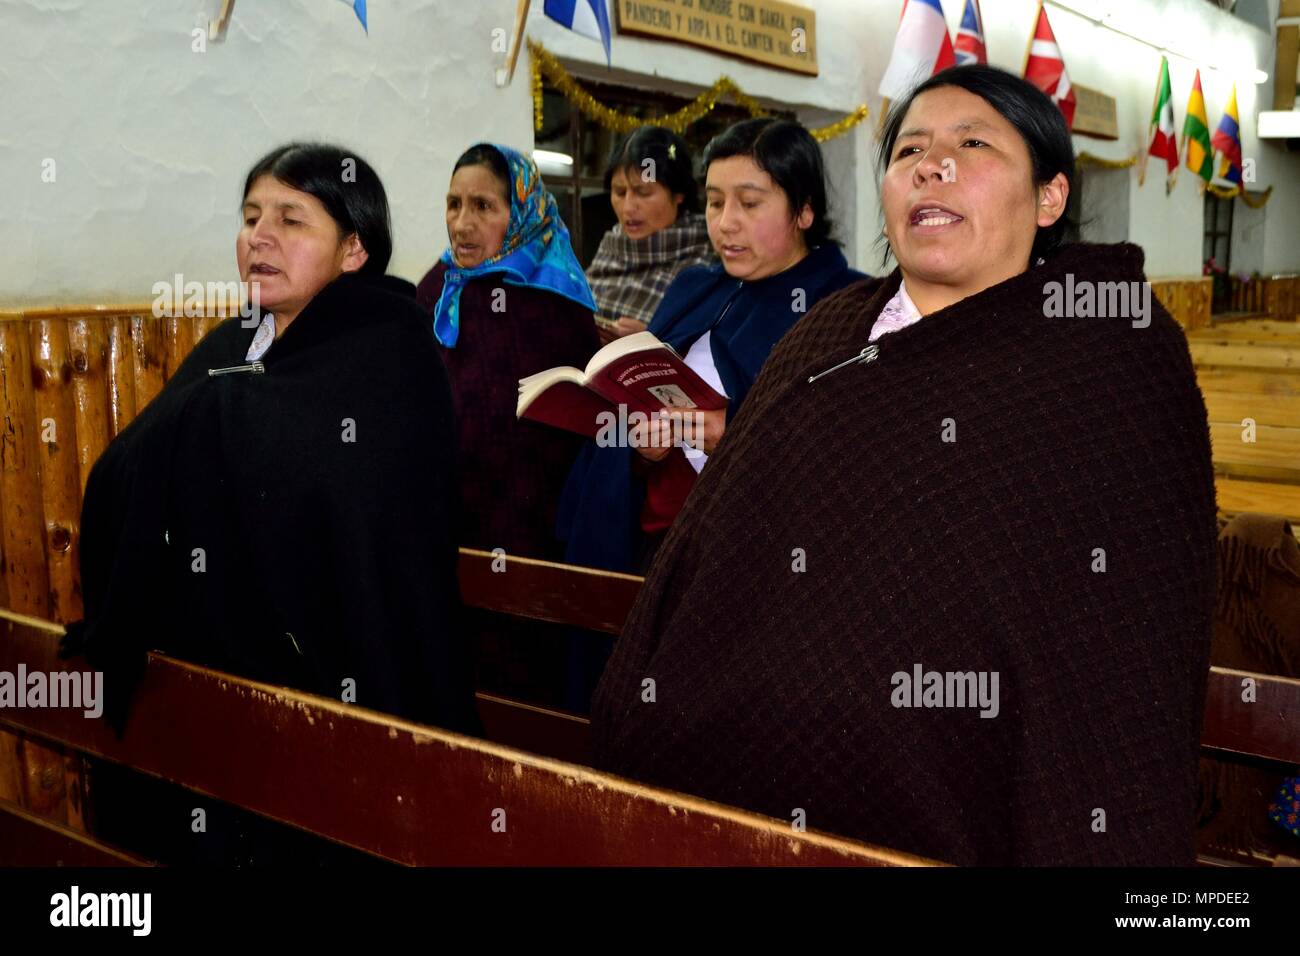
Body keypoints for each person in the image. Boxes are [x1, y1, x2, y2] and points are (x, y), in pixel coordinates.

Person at [590, 65, 1219, 866]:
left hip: (968, 805)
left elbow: (1120, 646)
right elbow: (712, 556)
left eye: (973, 144)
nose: (933, 165)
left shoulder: (1107, 357)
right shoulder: (826, 337)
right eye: (910, 149)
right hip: (734, 785)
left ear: (1051, 196)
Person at [63, 142, 478, 861]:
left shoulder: (391, 350)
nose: (259, 235)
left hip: (350, 683)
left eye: (292, 218)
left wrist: (221, 419)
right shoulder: (234, 343)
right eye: (251, 215)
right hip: (216, 679)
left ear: (354, 250)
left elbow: (343, 493)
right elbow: (126, 469)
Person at [558, 117, 865, 708]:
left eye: (750, 203)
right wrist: (640, 452)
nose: (726, 223)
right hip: (647, 552)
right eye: (715, 202)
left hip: (749, 574)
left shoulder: (844, 306)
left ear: (804, 211)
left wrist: (739, 441)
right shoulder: (695, 287)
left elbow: (847, 455)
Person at [416, 143, 599, 705]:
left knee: (521, 689)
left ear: (520, 212)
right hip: (439, 524)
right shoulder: (434, 289)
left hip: (528, 528)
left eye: (483, 206)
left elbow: (575, 427)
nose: (462, 224)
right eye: (453, 204)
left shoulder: (557, 304)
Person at [586, 126, 715, 344]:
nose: (627, 207)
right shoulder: (610, 249)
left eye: (643, 193)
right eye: (619, 192)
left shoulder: (706, 264)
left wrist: (654, 342)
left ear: (679, 194)